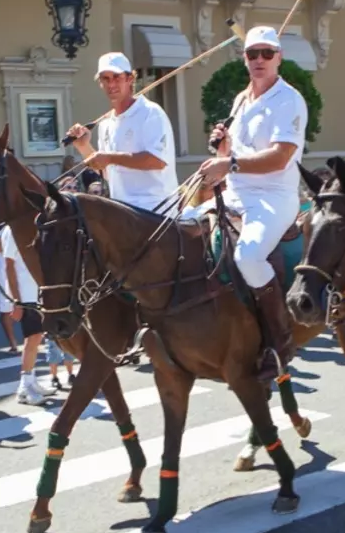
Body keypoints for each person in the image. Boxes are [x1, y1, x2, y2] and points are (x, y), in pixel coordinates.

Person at [200, 26, 308, 382]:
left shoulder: (290, 100)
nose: (259, 59)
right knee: (179, 232)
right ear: (244, 59)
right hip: (235, 193)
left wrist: (227, 164)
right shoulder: (241, 100)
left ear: (279, 57)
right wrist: (223, 147)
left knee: (248, 256)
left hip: (273, 197)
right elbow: (233, 153)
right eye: (252, 54)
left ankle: (280, 341)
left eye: (267, 53)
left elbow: (280, 157)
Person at [67, 50, 178, 210]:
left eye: (117, 77)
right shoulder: (106, 124)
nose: (111, 84)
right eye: (106, 78)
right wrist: (84, 146)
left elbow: (157, 160)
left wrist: (110, 157)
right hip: (122, 213)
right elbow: (107, 172)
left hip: (156, 212)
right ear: (100, 83)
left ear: (130, 78)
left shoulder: (151, 112)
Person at [2, 222, 49, 405]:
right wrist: (16, 301)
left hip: (37, 292)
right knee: (32, 338)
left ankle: (31, 380)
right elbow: (9, 265)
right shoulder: (12, 230)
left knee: (37, 339)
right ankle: (24, 386)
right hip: (25, 295)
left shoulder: (31, 226)